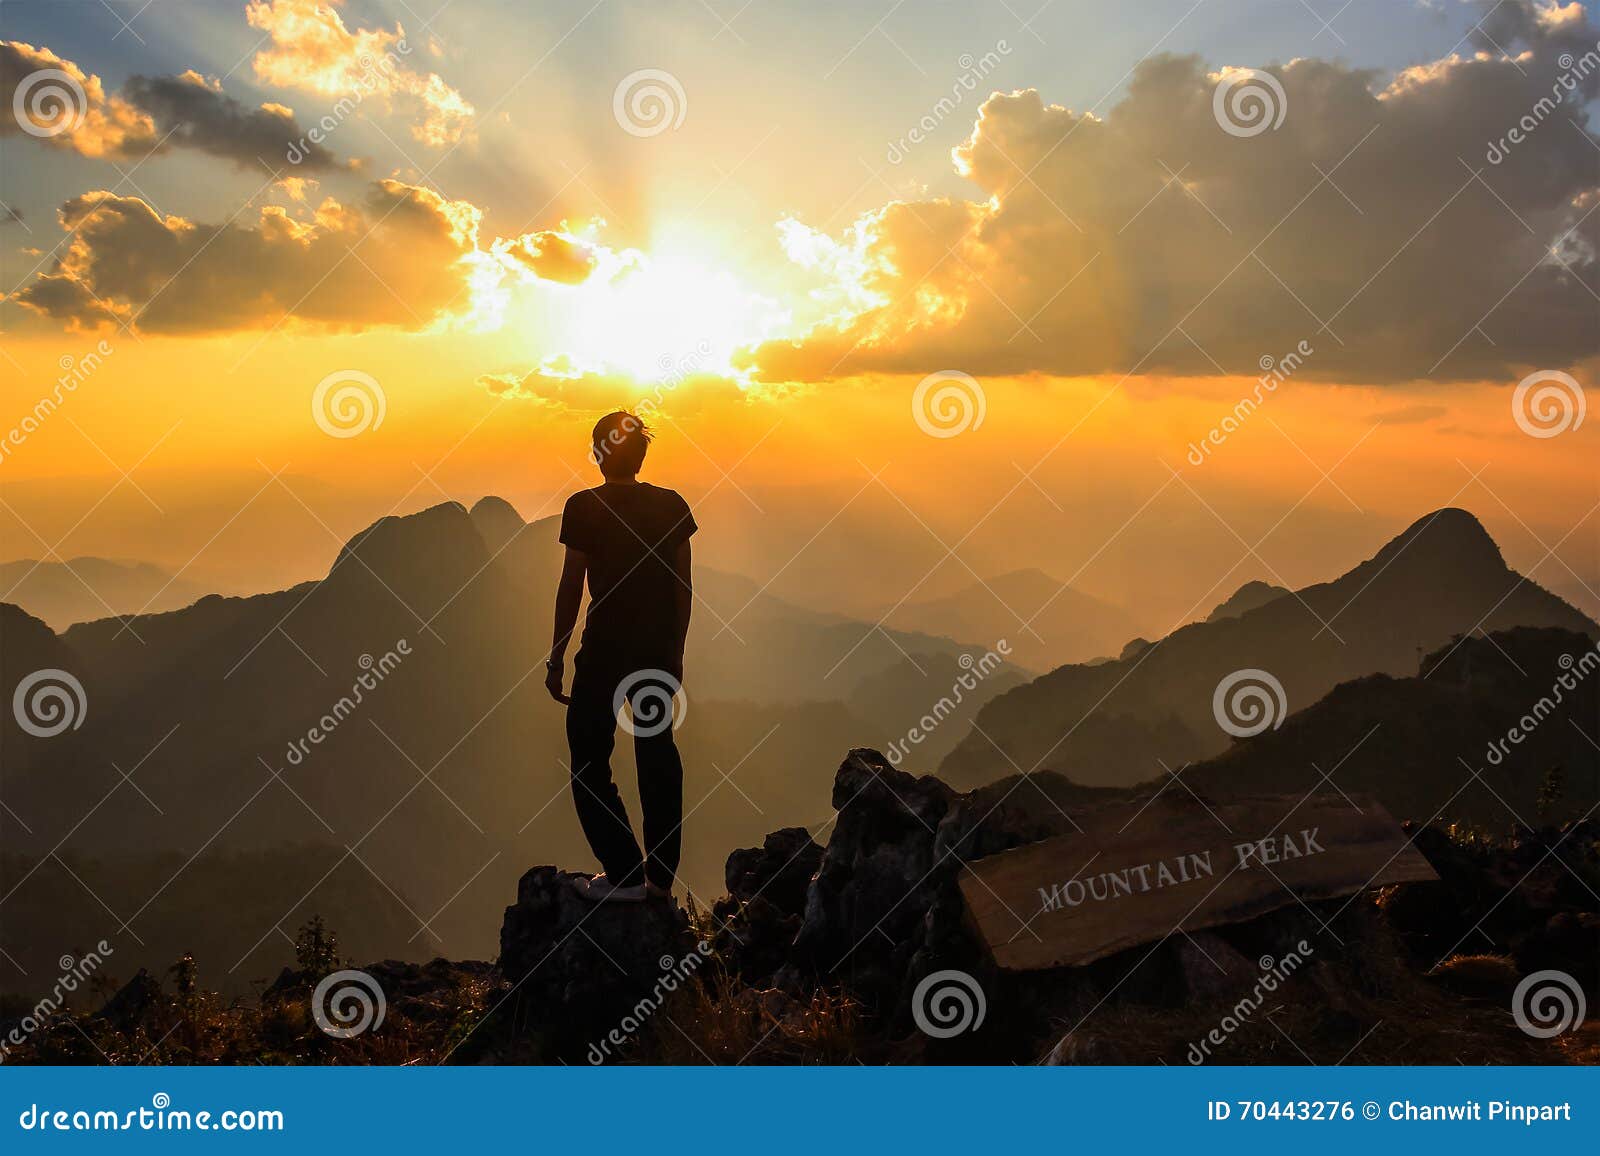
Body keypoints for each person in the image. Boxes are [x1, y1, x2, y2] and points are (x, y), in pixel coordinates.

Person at [545, 411, 695, 903]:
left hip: (604, 651)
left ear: (598, 453)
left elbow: (572, 586)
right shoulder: (671, 506)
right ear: (642, 454)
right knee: (657, 757)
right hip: (655, 651)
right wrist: (675, 654)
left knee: (589, 761)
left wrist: (556, 656)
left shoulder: (583, 507)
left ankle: (625, 875)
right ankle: (659, 882)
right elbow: (682, 587)